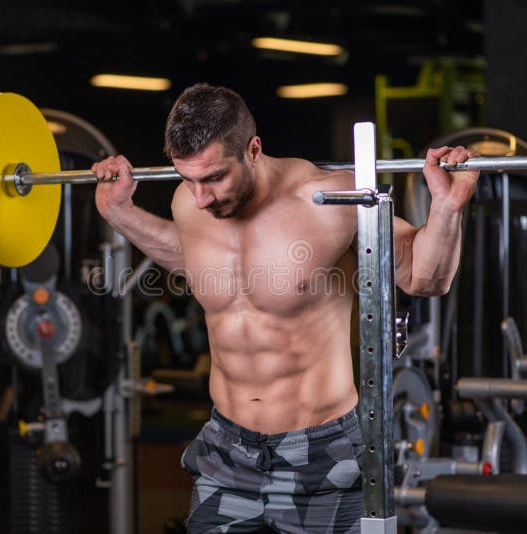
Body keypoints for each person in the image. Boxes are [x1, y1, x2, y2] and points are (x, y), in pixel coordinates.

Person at [92, 83, 478, 533]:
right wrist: (119, 213)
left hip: (321, 453)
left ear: (253, 149)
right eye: (188, 179)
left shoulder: (330, 199)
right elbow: (191, 258)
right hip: (226, 451)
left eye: (214, 178)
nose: (201, 197)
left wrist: (448, 208)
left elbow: (424, 278)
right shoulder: (189, 203)